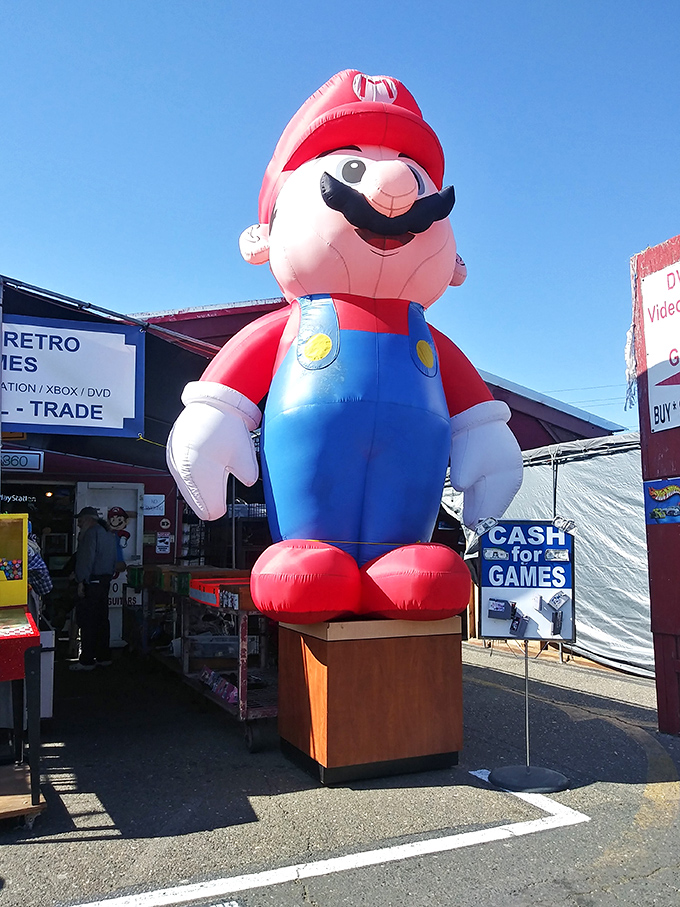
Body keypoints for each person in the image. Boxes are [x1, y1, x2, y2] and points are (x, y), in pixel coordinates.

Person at [70, 506, 118, 671]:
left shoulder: (90, 534)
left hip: (92, 581)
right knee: (102, 620)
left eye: (80, 520)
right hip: (105, 582)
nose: (78, 524)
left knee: (88, 621)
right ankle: (103, 657)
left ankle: (87, 660)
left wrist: (81, 581)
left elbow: (86, 559)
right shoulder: (109, 533)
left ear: (89, 519)